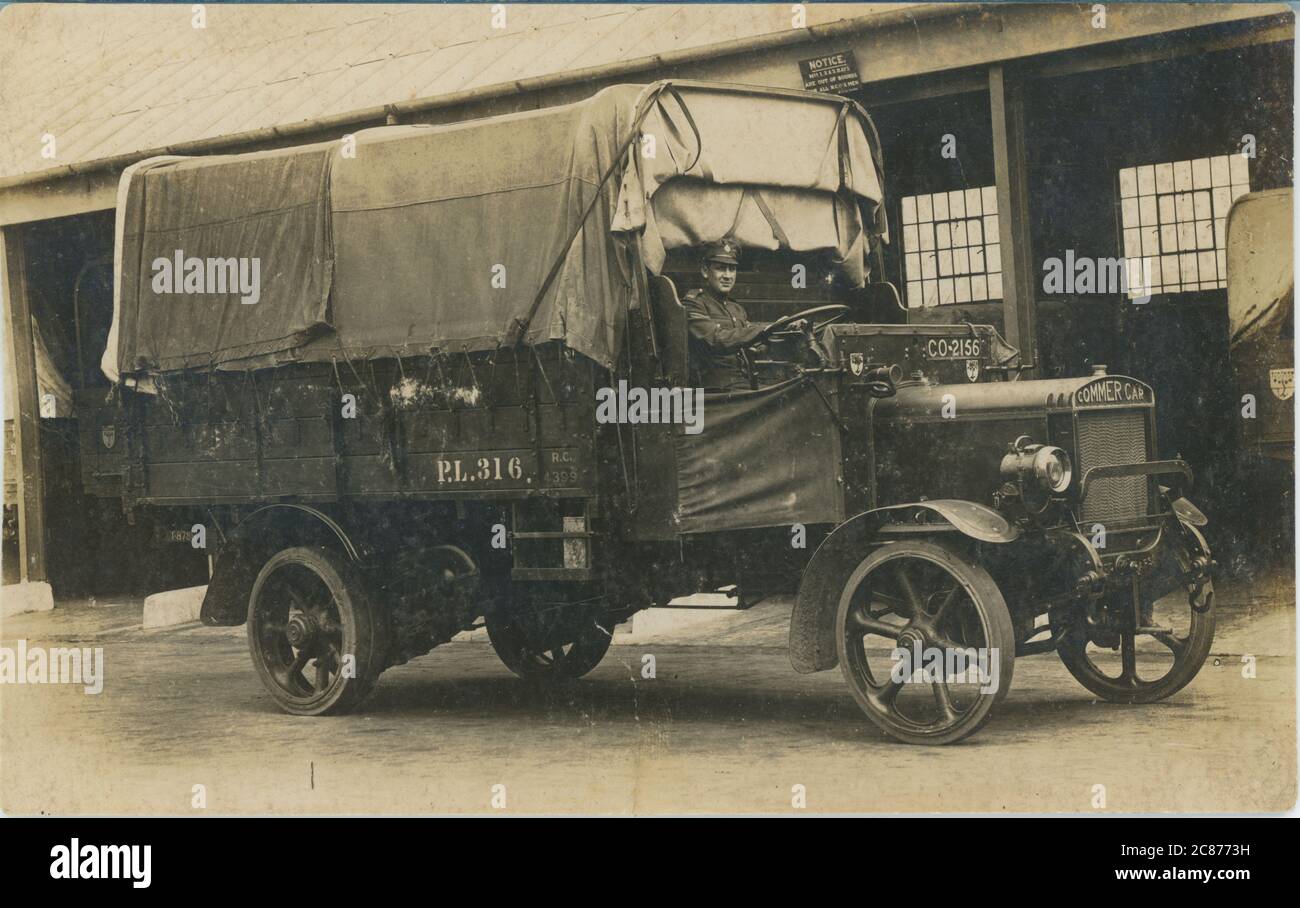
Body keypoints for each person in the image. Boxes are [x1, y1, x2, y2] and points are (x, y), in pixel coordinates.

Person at [683, 239, 770, 391]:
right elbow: (716, 340)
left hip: (743, 383)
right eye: (720, 268)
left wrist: (781, 328)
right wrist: (761, 330)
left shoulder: (736, 309)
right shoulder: (694, 304)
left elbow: (752, 340)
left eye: (732, 269)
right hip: (715, 390)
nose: (727, 276)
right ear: (705, 271)